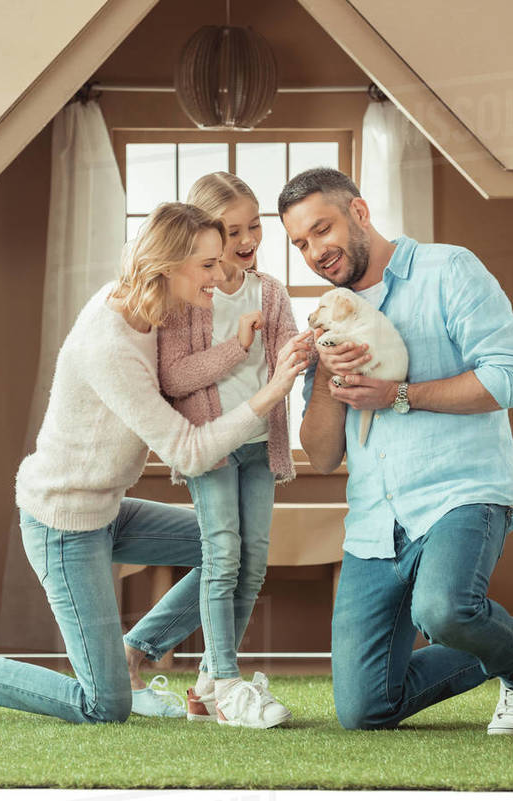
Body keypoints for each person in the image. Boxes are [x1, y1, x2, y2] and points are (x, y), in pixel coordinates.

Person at [0, 201, 312, 724]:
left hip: (109, 511)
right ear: (167, 265)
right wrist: (272, 391)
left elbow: (180, 377)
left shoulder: (147, 309)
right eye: (207, 265)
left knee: (229, 548)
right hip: (64, 525)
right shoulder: (111, 344)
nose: (220, 273)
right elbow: (186, 450)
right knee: (104, 705)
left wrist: (238, 347)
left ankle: (132, 651)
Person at [278, 167, 513, 734]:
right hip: (375, 520)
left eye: (322, 229)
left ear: (359, 212)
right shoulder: (329, 317)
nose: (314, 252)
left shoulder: (447, 269)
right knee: (364, 710)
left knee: (443, 610)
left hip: (459, 493)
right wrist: (325, 372)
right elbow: (322, 455)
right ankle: (511, 638)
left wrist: (398, 394)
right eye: (300, 243)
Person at [143, 172, 297, 728]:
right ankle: (228, 681)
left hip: (260, 445)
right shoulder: (187, 299)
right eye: (234, 231)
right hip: (211, 447)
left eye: (255, 225)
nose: (249, 239)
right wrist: (237, 347)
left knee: (252, 564)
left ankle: (209, 685)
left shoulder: (270, 292)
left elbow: (286, 361)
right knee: (223, 555)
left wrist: (308, 349)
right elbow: (174, 377)